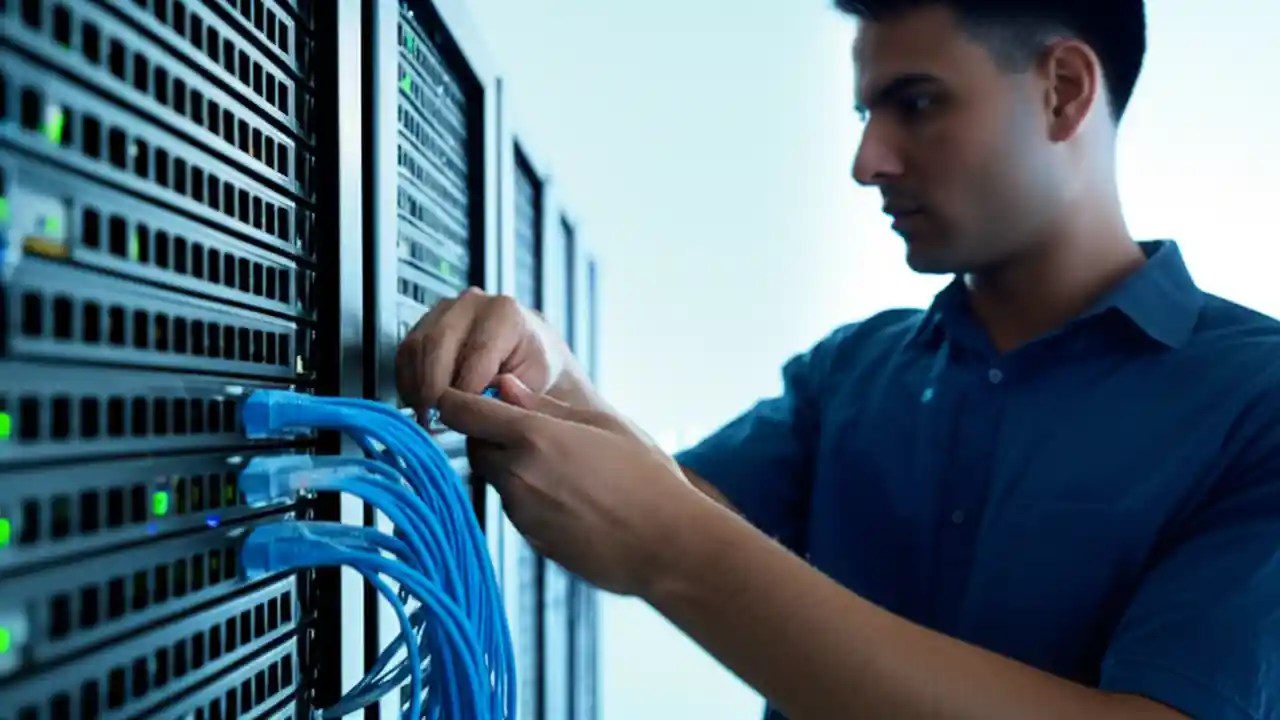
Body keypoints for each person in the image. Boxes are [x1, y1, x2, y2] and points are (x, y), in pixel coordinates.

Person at [396, 0, 1280, 717]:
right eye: (866, 113)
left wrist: (677, 548)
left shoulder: (1256, 399)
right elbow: (642, 510)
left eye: (918, 103)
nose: (868, 161)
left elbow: (666, 529)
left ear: (1063, 90)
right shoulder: (856, 371)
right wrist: (552, 374)